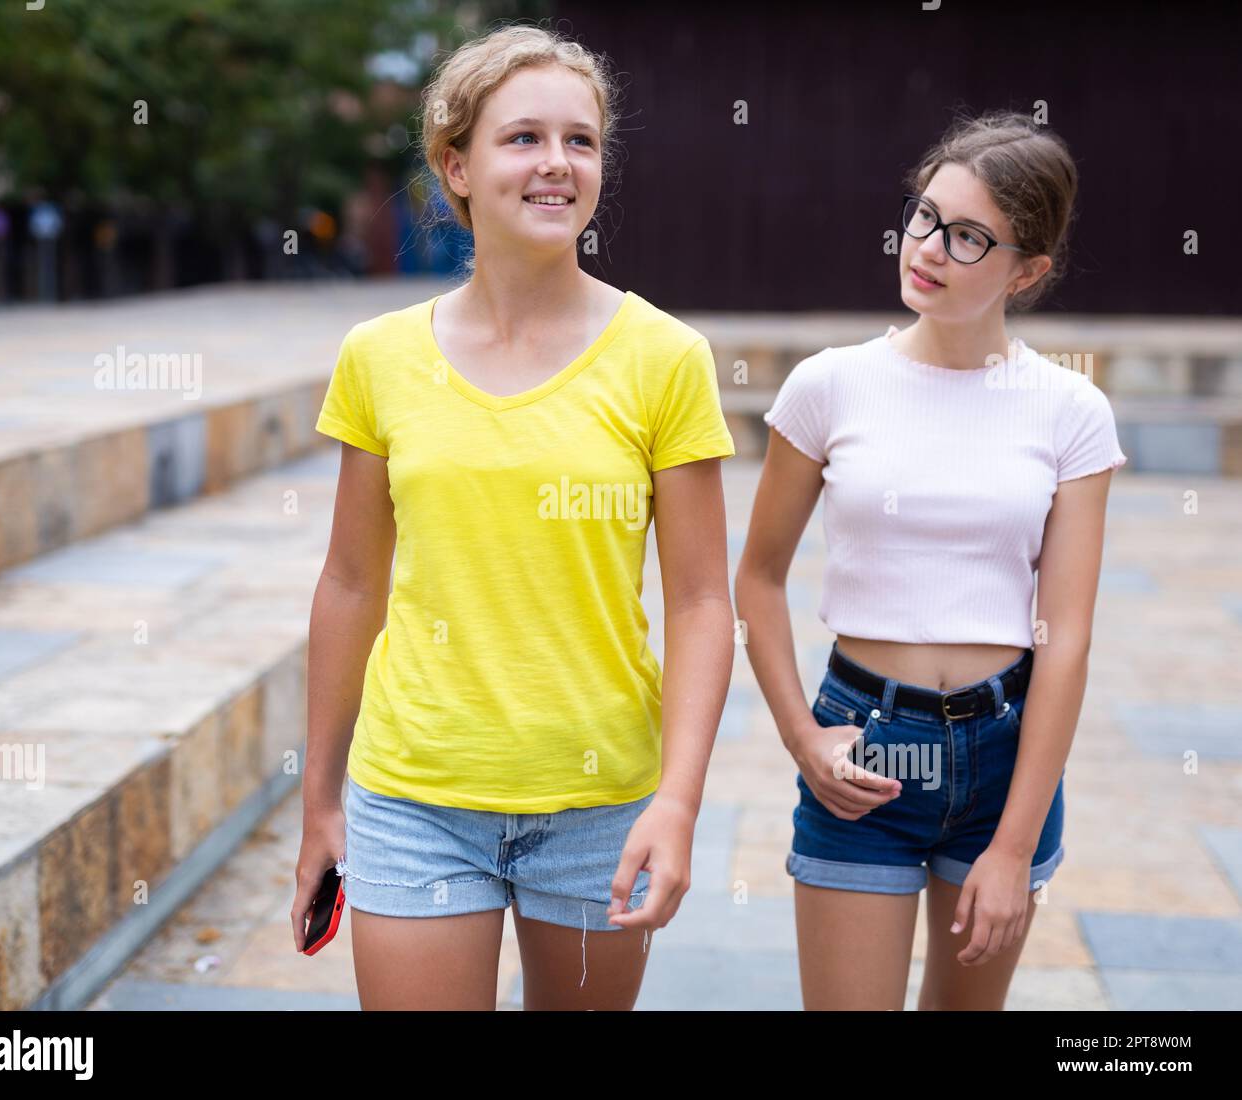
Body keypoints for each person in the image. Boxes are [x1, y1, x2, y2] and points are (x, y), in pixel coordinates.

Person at [291, 24, 737, 1011]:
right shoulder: (378, 355)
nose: (556, 164)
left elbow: (705, 597)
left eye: (580, 141)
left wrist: (678, 798)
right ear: (456, 164)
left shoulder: (665, 357)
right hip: (414, 791)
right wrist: (320, 798)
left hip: (598, 799)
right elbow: (351, 582)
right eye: (523, 137)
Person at [735, 110, 1128, 1010]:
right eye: (924, 215)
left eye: (967, 237)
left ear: (1027, 270)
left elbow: (1064, 638)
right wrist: (803, 738)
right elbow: (756, 578)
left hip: (1004, 755)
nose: (929, 248)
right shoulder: (830, 385)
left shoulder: (1070, 411)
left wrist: (1015, 845)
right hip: (864, 748)